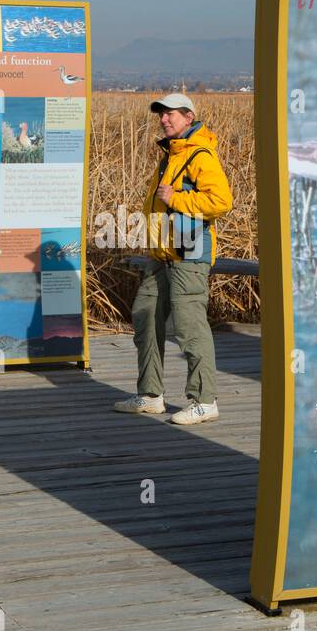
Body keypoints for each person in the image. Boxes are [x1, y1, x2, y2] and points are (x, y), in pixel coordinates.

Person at [113, 94, 233, 425]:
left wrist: (177, 198)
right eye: (161, 115)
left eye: (171, 115)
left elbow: (221, 200)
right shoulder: (171, 153)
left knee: (189, 323)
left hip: (189, 249)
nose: (164, 120)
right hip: (162, 251)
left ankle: (204, 400)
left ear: (188, 116)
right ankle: (151, 396)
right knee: (146, 314)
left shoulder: (199, 153)